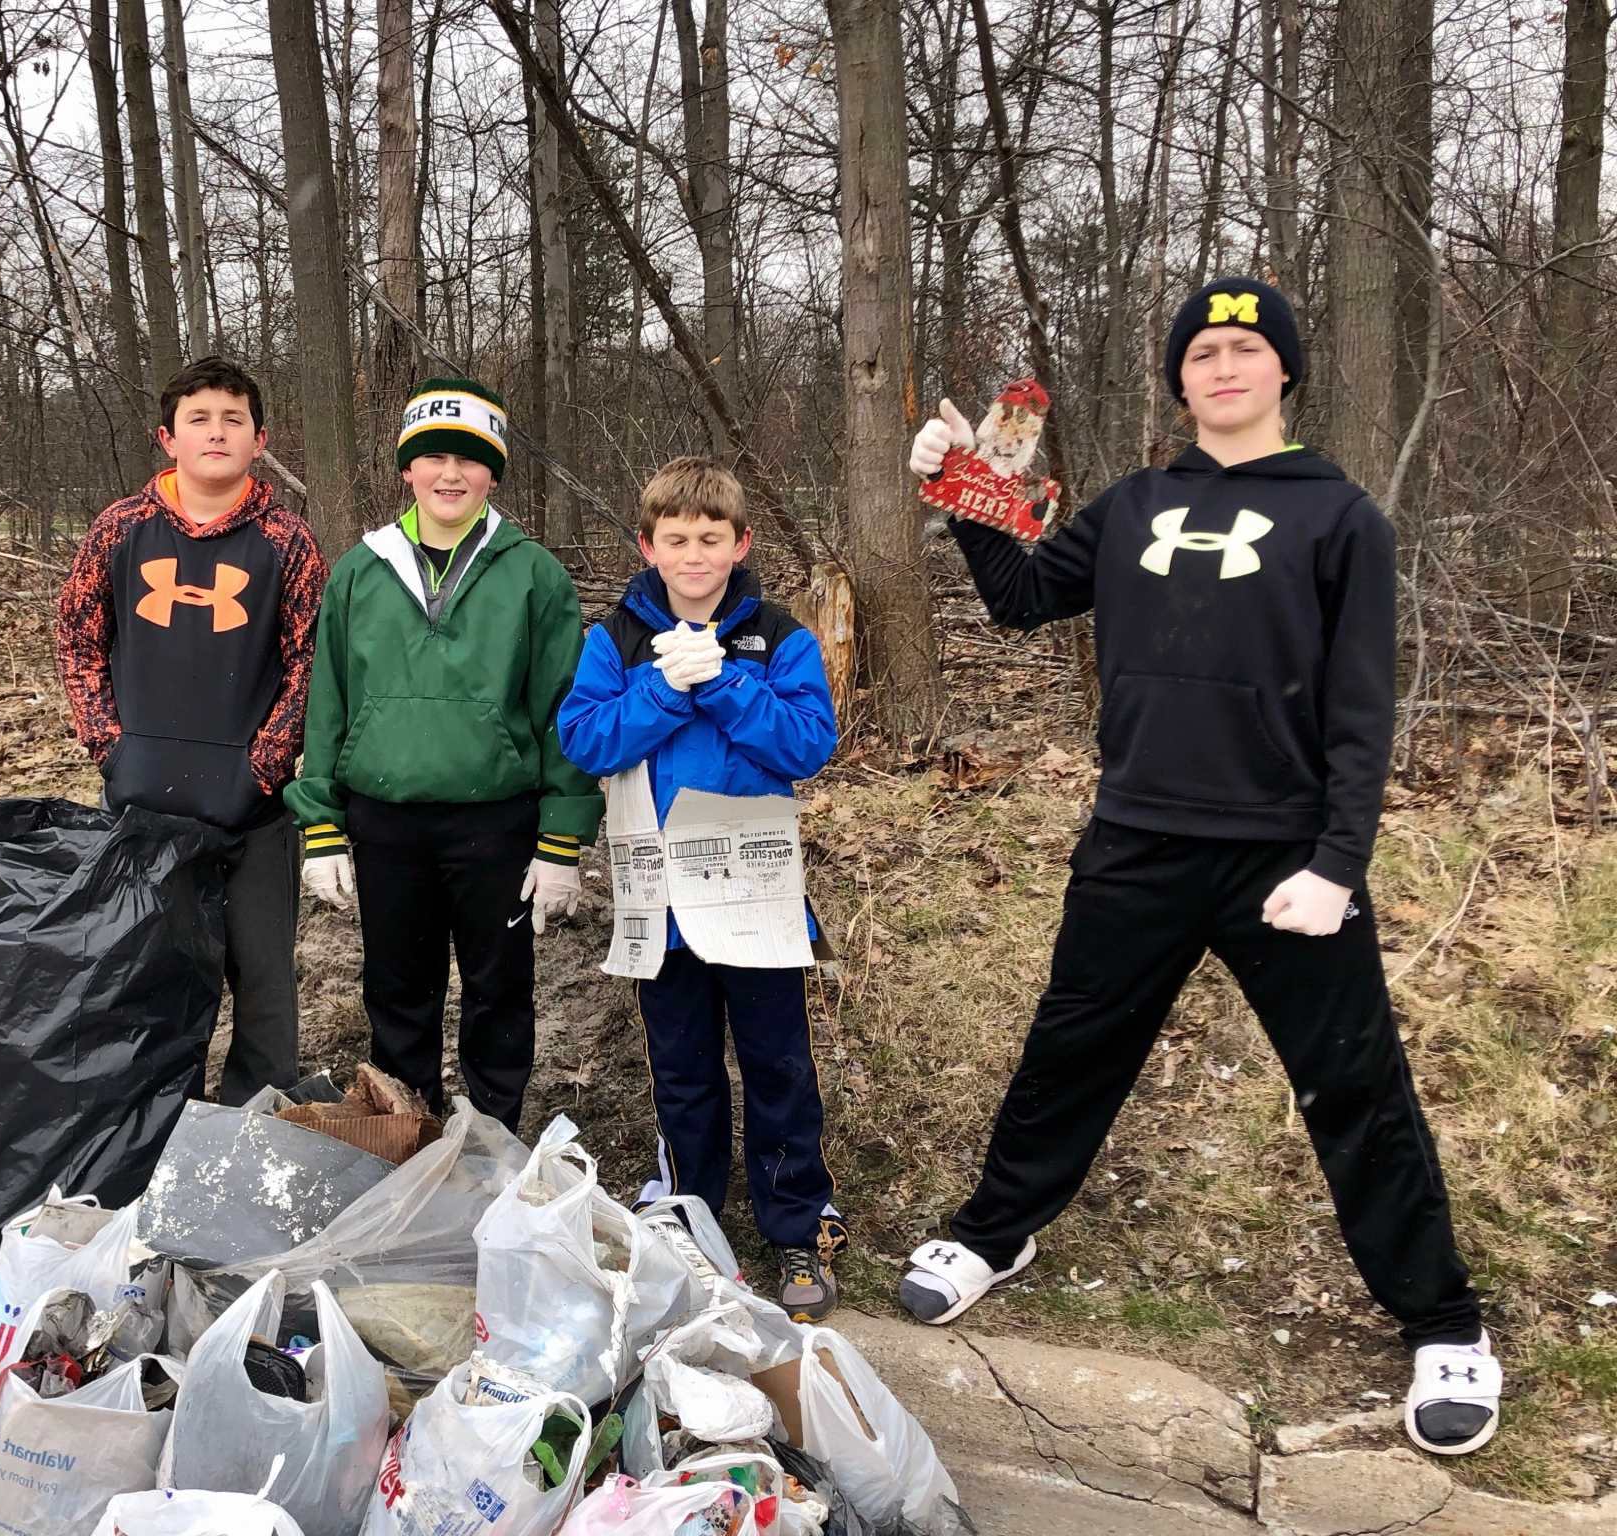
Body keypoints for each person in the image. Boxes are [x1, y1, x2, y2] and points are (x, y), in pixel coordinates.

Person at [898, 279, 1500, 1457]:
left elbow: (1360, 710)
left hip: (1285, 854)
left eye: (1244, 348)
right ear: (1178, 381)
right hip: (1136, 836)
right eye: (1201, 353)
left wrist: (1337, 861)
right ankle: (996, 1230)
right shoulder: (1130, 506)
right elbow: (1021, 600)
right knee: (1070, 1048)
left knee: (1351, 1086)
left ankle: (1443, 1320)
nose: (1222, 366)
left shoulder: (1340, 521)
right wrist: (963, 490)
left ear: (1281, 372)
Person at [558, 456, 845, 1321]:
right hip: (663, 899)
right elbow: (587, 738)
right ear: (647, 546)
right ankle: (688, 1211)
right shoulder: (617, 638)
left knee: (777, 1063)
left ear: (739, 543)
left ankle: (798, 1224)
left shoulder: (779, 634)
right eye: (675, 540)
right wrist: (662, 686)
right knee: (682, 1067)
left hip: (755, 891)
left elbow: (806, 744)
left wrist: (720, 684)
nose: (693, 554)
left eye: (710, 539)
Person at [284, 377, 601, 1134]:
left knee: (498, 993)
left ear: (493, 473)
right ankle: (406, 1138)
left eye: (470, 459)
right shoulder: (361, 570)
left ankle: (493, 1141)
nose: (450, 474)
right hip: (385, 821)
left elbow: (565, 711)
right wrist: (321, 822)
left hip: (497, 823)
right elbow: (327, 703)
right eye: (433, 458)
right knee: (398, 992)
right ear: (406, 470)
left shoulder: (534, 575)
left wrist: (562, 839)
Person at [56, 354, 327, 1102]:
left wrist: (263, 768)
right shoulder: (120, 530)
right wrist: (110, 747)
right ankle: (149, 1127)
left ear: (258, 438)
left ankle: (253, 1135)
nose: (216, 433)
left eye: (233, 420)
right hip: (144, 803)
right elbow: (78, 637)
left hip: (255, 814)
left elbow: (312, 663)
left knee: (265, 987)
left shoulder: (289, 543)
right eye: (198, 419)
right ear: (167, 437)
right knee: (148, 975)